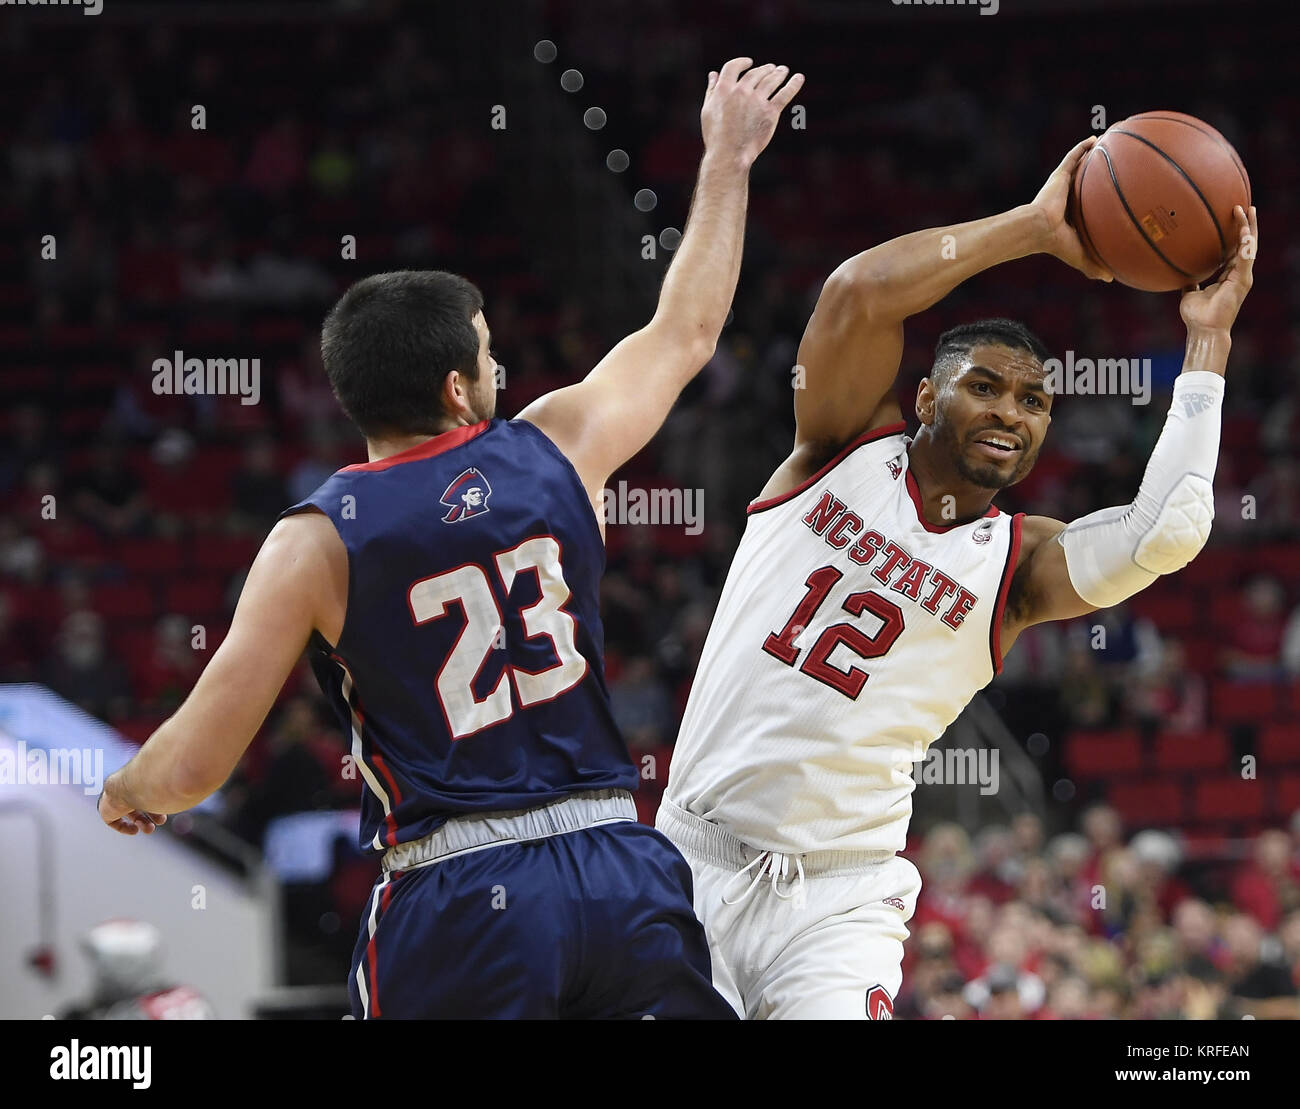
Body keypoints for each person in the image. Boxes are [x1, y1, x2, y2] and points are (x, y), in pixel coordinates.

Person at [97, 58, 805, 1019]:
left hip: (461, 891)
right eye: (486, 350)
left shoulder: (313, 542)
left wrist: (125, 789)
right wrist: (727, 157)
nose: (500, 363)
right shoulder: (558, 444)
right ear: (456, 389)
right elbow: (687, 328)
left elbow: (192, 768)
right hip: (618, 871)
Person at [656, 130, 1259, 1018]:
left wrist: (1206, 345)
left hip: (840, 896)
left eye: (1034, 400)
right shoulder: (841, 447)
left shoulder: (1016, 566)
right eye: (987, 386)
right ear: (929, 397)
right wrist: (1034, 227)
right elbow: (859, 291)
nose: (1011, 412)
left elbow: (1166, 530)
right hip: (690, 859)